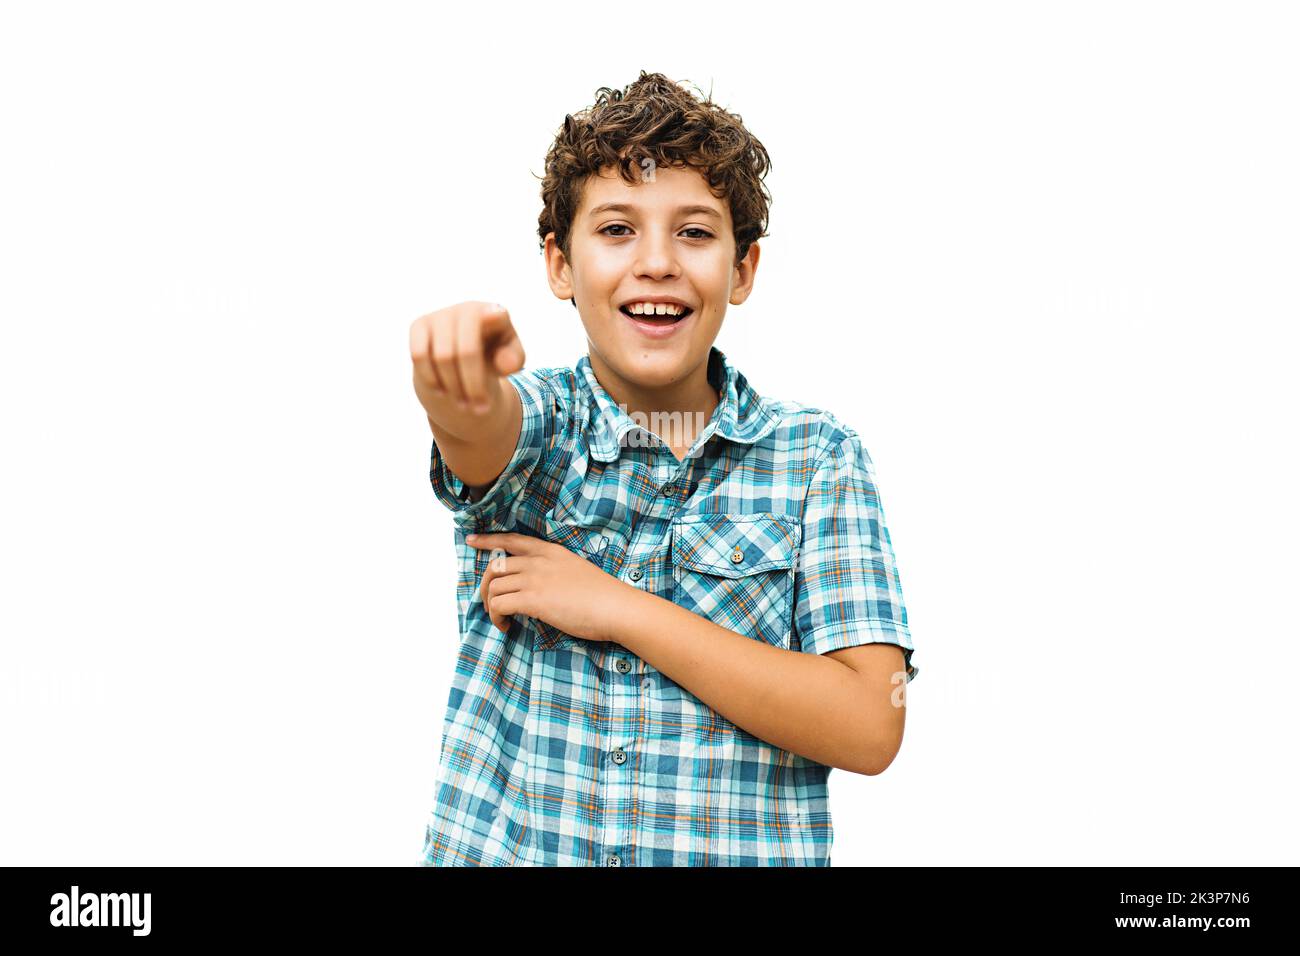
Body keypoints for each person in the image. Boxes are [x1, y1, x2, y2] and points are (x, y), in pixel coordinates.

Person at [410, 71, 917, 866]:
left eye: (694, 232)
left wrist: (618, 608)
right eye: (616, 230)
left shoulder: (817, 458)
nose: (656, 262)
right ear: (559, 265)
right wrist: (458, 393)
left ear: (743, 268)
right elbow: (483, 435)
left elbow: (869, 721)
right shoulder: (546, 433)